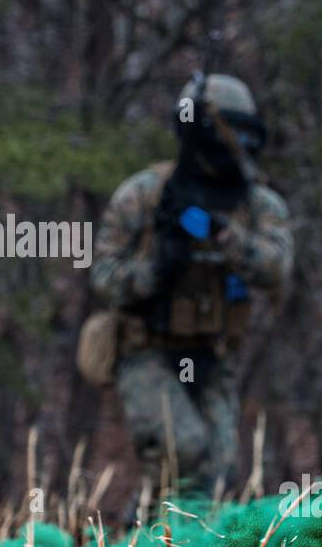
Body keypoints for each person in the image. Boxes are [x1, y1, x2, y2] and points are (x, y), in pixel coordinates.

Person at [89, 73, 293, 500]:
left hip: (214, 356)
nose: (238, 144)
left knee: (217, 477)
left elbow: (276, 268)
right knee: (182, 451)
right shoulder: (144, 196)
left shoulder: (257, 204)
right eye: (229, 131)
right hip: (147, 352)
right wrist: (157, 267)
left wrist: (224, 236)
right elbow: (105, 277)